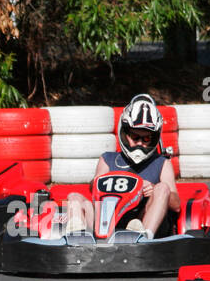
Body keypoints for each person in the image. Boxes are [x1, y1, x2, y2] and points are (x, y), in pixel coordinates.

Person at [63, 94, 181, 237]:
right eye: (135, 137)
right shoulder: (108, 159)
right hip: (108, 220)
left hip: (143, 219)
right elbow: (94, 186)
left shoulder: (161, 163)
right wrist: (126, 183)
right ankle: (77, 239)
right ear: (125, 134)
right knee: (74, 197)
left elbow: (176, 205)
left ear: (154, 138)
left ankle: (143, 237)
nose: (140, 144)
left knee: (163, 188)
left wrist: (154, 189)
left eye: (146, 138)